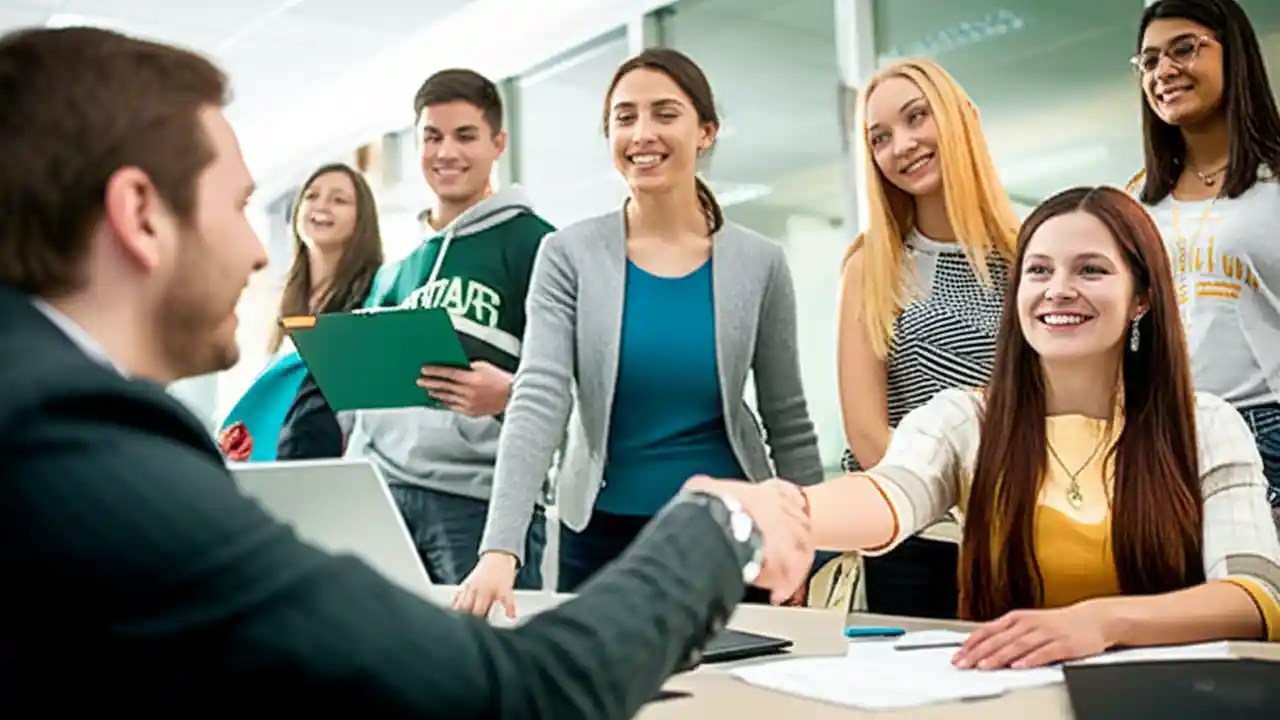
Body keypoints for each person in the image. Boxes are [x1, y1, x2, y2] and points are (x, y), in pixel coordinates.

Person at [0, 26, 816, 715]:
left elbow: (780, 413)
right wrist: (723, 525)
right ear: (141, 214)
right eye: (242, 206)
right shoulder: (73, 444)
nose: (258, 252)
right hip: (520, 514)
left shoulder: (54, 417)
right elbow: (516, 693)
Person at [701, 186, 1280, 668]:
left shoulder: (1207, 424)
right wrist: (783, 510)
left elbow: (1255, 597)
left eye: (1091, 270)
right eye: (1039, 270)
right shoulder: (964, 419)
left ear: (1142, 297)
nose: (1059, 289)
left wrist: (1101, 622)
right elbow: (888, 494)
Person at [454, 48, 824, 618]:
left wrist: (811, 544)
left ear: (705, 132)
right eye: (624, 118)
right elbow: (538, 398)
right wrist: (500, 547)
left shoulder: (760, 263)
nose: (642, 133)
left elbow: (789, 421)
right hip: (600, 540)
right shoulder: (567, 255)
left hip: (731, 539)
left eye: (664, 113)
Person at [343, 69, 553, 587]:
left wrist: (512, 393)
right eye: (432, 137)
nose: (446, 153)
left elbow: (581, 377)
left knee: (489, 659)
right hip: (387, 492)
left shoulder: (540, 246)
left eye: (465, 136)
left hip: (479, 502)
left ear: (497, 143)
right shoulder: (398, 268)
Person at [838, 57, 1019, 618]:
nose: (902, 145)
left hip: (1024, 536)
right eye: (880, 137)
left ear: (964, 117)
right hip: (916, 539)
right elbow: (867, 433)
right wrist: (967, 504)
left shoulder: (1032, 251)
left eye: (917, 117)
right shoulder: (872, 265)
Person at [1128, 0, 1280, 520]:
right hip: (1165, 440)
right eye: (1148, 61)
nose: (1164, 71)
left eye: (1185, 48)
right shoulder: (1136, 203)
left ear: (1232, 53)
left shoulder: (1274, 185)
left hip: (1266, 429)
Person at [218, 163, 383, 461]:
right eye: (311, 196)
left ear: (362, 220)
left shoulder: (375, 297)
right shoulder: (279, 300)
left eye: (339, 200)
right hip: (268, 461)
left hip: (327, 461)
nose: (321, 206)